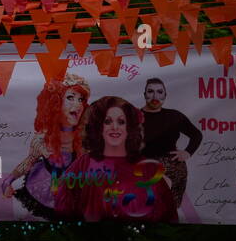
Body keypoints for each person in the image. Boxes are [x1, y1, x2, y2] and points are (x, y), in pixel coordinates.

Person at [54, 97, 176, 223]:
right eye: (107, 121)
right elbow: (64, 208)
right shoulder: (84, 163)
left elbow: (167, 214)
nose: (115, 127)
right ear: (98, 127)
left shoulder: (147, 168)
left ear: (129, 127)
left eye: (121, 122)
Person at [1, 74, 91, 219]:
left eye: (81, 100)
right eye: (70, 98)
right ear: (56, 103)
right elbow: (29, 161)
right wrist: (8, 181)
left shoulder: (86, 136)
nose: (78, 105)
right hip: (45, 191)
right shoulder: (43, 137)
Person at [137, 78, 201, 208]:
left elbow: (196, 135)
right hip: (145, 168)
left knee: (166, 210)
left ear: (165, 96)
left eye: (160, 92)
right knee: (149, 208)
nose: (155, 96)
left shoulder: (174, 116)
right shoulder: (134, 117)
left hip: (174, 169)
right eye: (150, 91)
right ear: (144, 94)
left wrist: (188, 152)